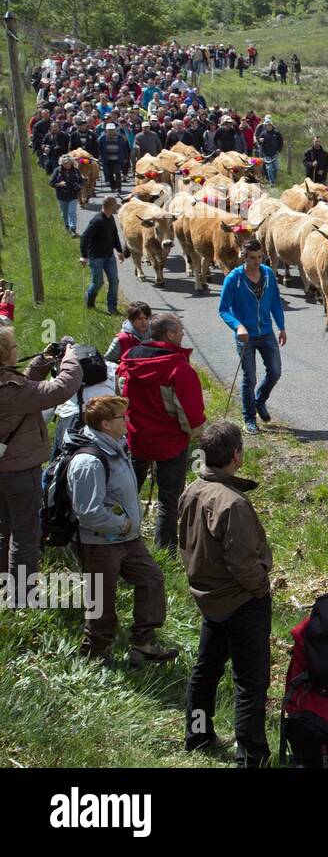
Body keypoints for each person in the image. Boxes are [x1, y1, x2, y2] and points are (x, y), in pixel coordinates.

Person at [180, 421, 273, 767]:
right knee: (250, 682)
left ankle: (198, 734)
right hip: (240, 600)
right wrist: (261, 589)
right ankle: (251, 756)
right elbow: (242, 563)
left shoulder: (192, 490)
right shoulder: (232, 503)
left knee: (207, 670)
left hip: (208, 595)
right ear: (236, 455)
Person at [65, 395, 180, 666]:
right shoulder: (89, 462)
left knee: (152, 579)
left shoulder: (115, 446)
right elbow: (88, 512)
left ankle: (143, 643)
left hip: (128, 539)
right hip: (98, 542)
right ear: (106, 424)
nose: (128, 420)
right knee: (101, 600)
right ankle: (96, 653)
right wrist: (122, 524)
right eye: (122, 417)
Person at [0, 331, 82, 591]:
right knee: (26, 534)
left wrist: (42, 361)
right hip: (18, 472)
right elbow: (63, 387)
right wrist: (70, 359)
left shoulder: (8, 386)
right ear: (5, 353)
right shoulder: (9, 391)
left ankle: (4, 584)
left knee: (4, 528)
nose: (17, 347)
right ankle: (22, 597)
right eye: (14, 345)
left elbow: (23, 391)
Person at [117, 313, 206, 552]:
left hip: (136, 439)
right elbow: (192, 416)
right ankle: (165, 550)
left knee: (127, 494)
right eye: (180, 331)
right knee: (168, 500)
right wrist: (197, 434)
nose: (183, 334)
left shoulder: (128, 362)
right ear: (169, 334)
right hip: (170, 444)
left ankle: (121, 540)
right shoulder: (178, 369)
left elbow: (120, 399)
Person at [218, 239, 286, 436]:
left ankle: (260, 400)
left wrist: (281, 326)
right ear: (243, 257)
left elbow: (274, 301)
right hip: (245, 336)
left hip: (266, 332)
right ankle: (249, 418)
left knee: (275, 371)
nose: (257, 262)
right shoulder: (233, 279)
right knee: (250, 378)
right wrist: (238, 326)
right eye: (252, 258)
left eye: (260, 257)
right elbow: (223, 310)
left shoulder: (268, 274)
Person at [79, 196, 127, 315]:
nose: (117, 207)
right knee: (98, 283)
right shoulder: (97, 221)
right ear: (110, 206)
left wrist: (120, 251)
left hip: (109, 256)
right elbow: (85, 237)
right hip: (96, 257)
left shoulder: (110, 218)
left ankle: (112, 308)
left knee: (114, 281)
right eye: (116, 205)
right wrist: (84, 256)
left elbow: (114, 235)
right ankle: (89, 297)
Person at [50, 156, 84, 236]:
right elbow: (51, 183)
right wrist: (59, 184)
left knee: (72, 212)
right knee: (64, 213)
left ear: (71, 163)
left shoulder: (76, 171)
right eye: (65, 163)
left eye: (68, 163)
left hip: (73, 195)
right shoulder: (57, 171)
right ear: (62, 163)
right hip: (62, 195)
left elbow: (81, 181)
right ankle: (67, 226)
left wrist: (79, 186)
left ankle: (73, 228)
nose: (67, 165)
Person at [97, 123, 129, 194]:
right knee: (109, 174)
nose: (111, 131)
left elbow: (124, 148)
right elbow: (99, 149)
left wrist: (126, 157)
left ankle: (119, 187)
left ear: (115, 130)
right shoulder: (102, 139)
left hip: (117, 159)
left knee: (118, 173)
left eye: (112, 130)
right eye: (109, 130)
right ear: (106, 131)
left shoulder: (120, 138)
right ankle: (113, 187)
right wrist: (99, 157)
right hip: (107, 159)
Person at [253, 115, 282, 185]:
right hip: (266, 154)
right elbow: (259, 142)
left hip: (275, 153)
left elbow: (281, 142)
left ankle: (273, 179)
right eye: (266, 125)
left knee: (275, 168)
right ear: (265, 126)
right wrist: (260, 141)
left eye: (269, 125)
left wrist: (279, 150)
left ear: (271, 125)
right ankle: (271, 182)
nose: (267, 126)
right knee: (269, 168)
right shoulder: (263, 133)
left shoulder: (276, 133)